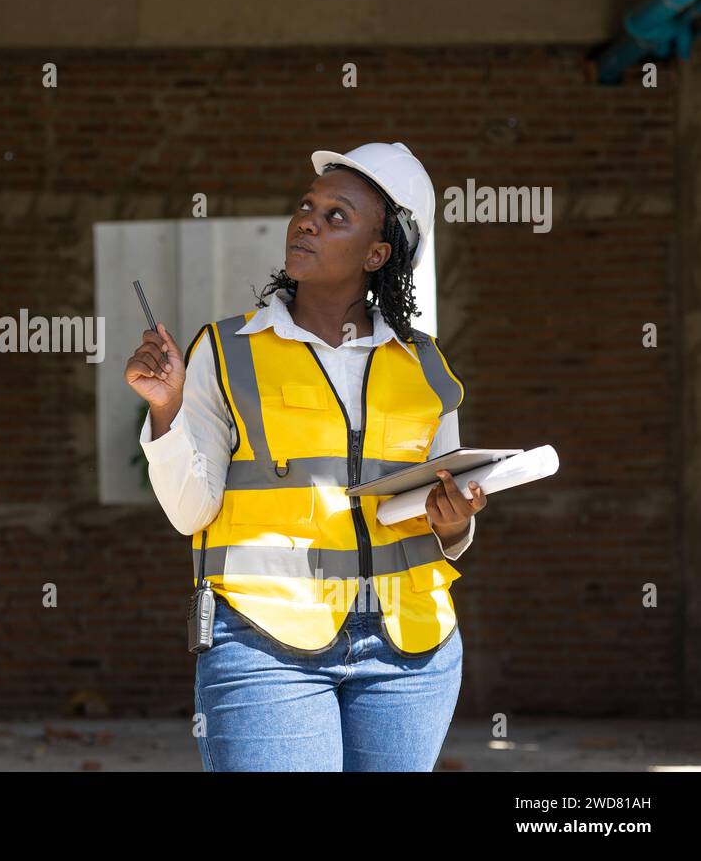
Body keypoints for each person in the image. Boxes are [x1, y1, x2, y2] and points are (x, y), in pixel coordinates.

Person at [123, 142, 487, 772]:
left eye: (336, 215)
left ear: (379, 253)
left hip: (412, 646)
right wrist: (166, 409)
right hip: (265, 643)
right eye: (306, 207)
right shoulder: (227, 350)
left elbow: (443, 515)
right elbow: (190, 511)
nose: (307, 221)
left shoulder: (424, 364)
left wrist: (456, 518)